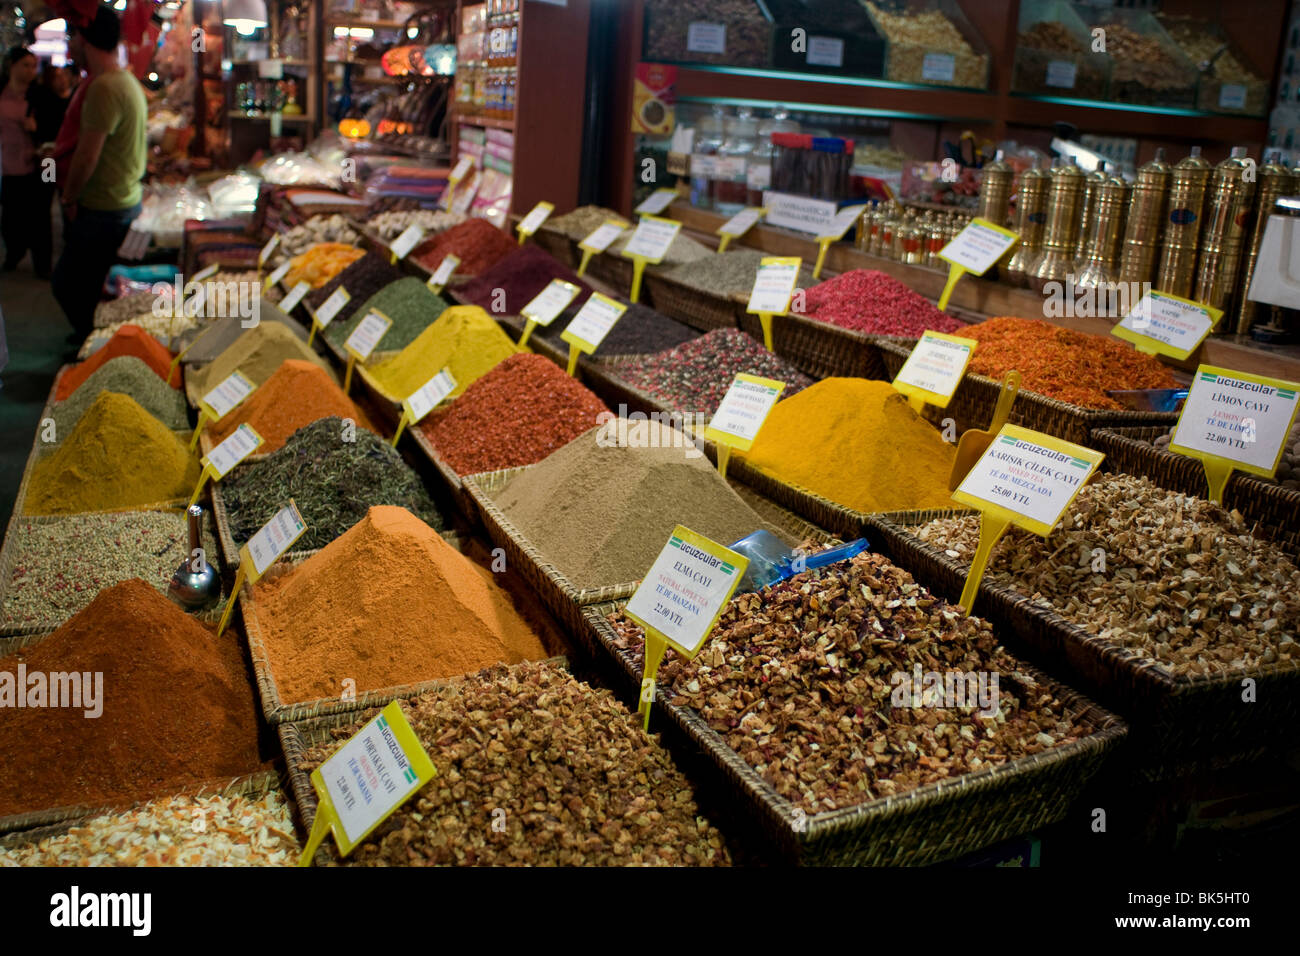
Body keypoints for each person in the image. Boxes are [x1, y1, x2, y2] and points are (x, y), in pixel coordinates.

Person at [50, 7, 146, 346]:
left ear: (86, 39)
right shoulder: (123, 81)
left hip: (105, 208)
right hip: (121, 202)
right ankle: (94, 343)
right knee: (91, 286)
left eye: (73, 35)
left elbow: (87, 156)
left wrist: (69, 197)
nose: (70, 43)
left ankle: (94, 346)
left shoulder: (104, 87)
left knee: (67, 283)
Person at [0, 46, 50, 276]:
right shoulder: (2, 93)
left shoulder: (41, 95)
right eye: (26, 65)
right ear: (13, 66)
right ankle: (14, 252)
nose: (31, 71)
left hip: (43, 165)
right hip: (9, 162)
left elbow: (54, 130)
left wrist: (37, 130)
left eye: (33, 66)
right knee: (12, 212)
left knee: (41, 213)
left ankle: (42, 264)